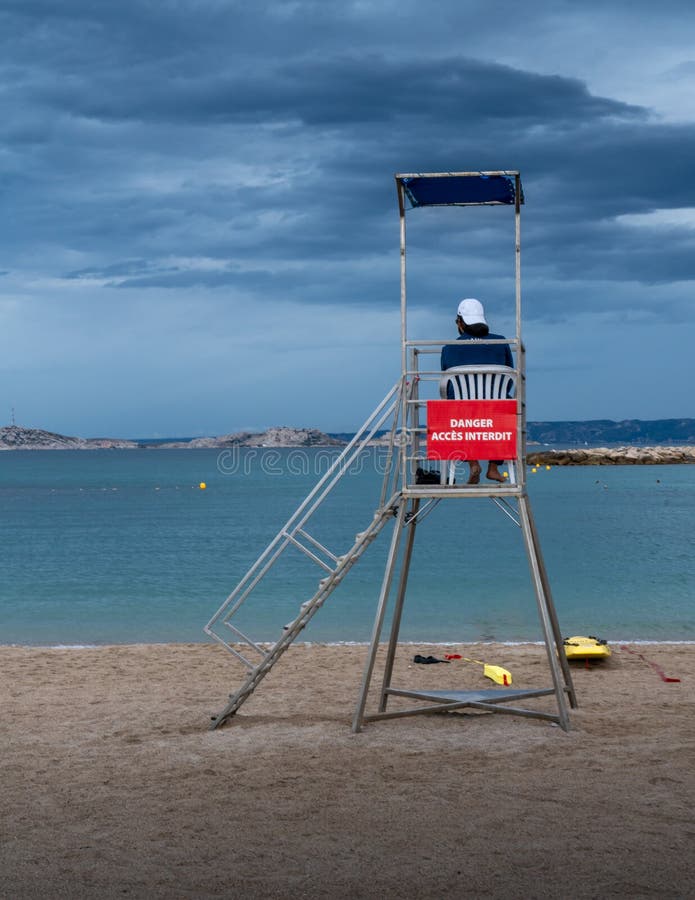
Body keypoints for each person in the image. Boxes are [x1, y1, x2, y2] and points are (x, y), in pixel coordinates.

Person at [440, 297, 514, 485]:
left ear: (460, 322)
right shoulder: (501, 342)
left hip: (462, 414)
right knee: (504, 403)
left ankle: (473, 464)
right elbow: (509, 376)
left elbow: (447, 383)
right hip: (496, 412)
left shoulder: (450, 347)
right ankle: (493, 468)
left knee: (455, 409)